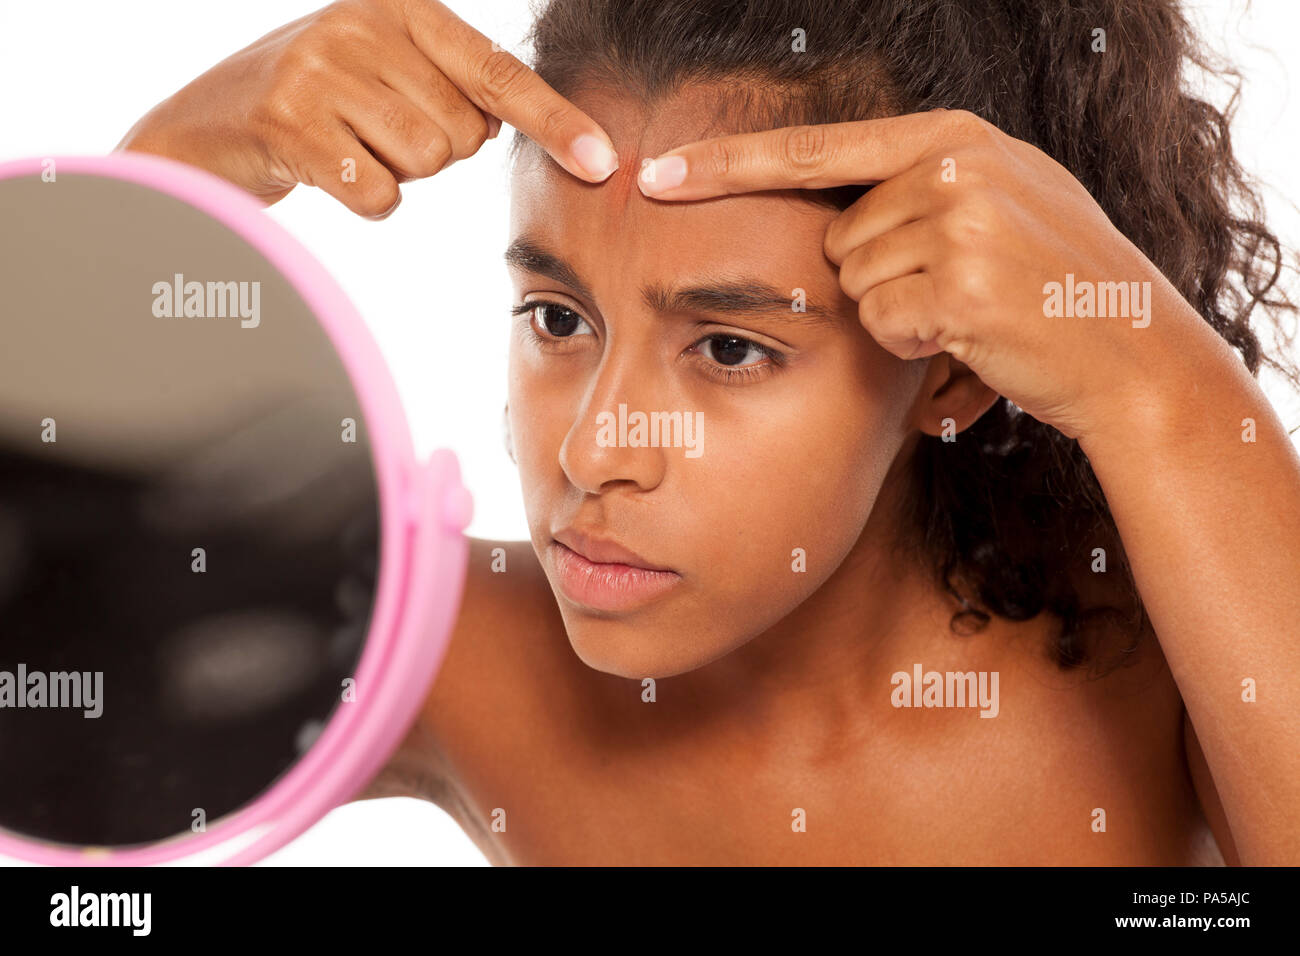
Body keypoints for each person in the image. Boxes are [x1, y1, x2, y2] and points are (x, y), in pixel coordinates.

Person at [118, 0, 1300, 864]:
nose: (593, 451)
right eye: (555, 316)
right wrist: (169, 178)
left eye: (730, 347)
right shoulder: (459, 650)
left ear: (952, 368)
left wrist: (1156, 379)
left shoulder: (1160, 668)